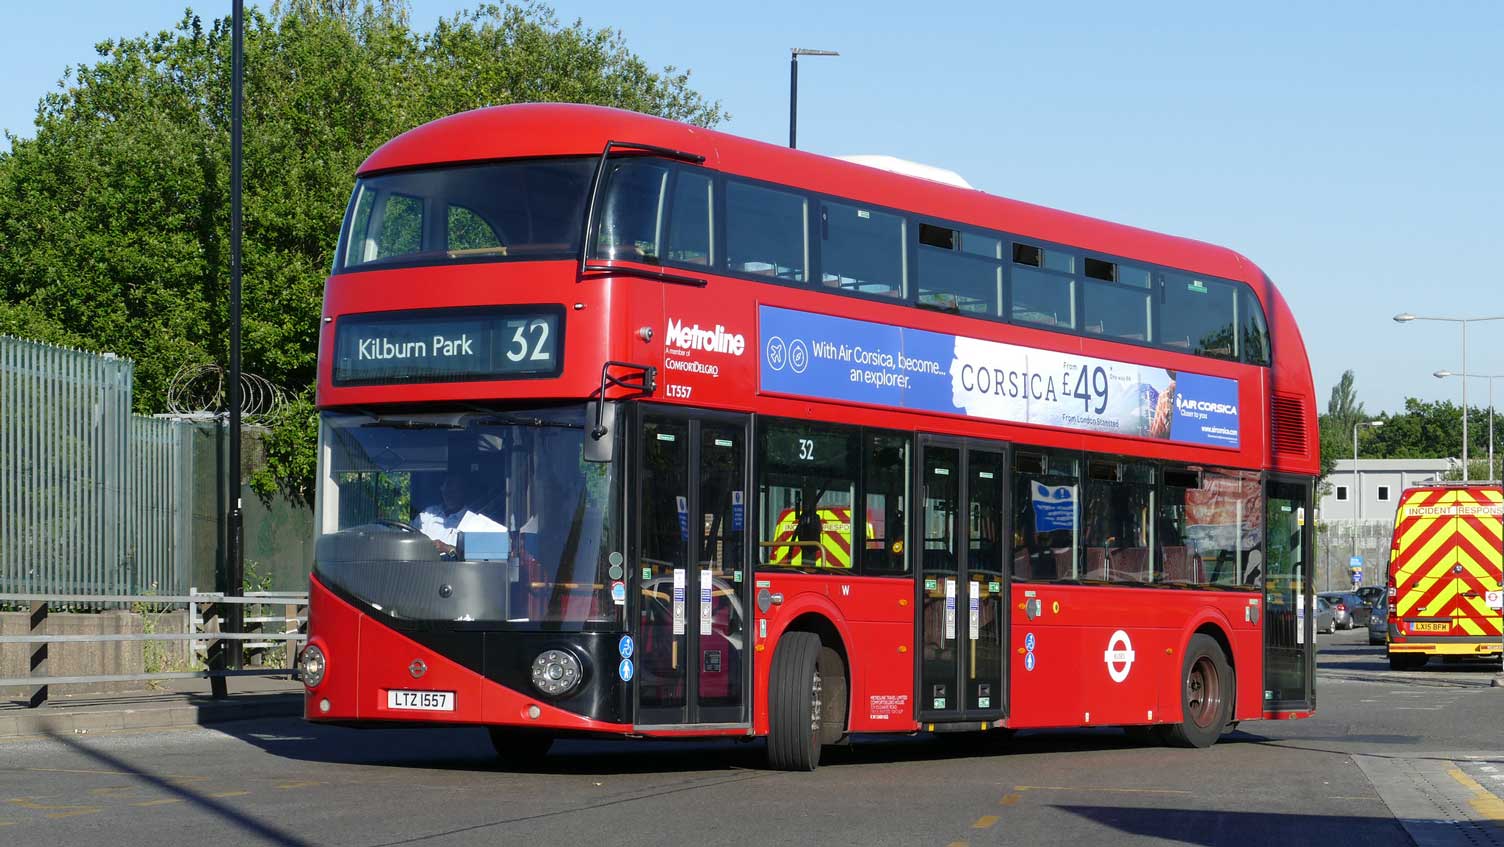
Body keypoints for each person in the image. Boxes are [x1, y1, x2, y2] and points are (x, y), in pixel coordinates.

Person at [415, 474, 505, 557]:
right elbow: (408, 535)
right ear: (441, 488)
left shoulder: (475, 522)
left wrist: (447, 548)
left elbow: (493, 553)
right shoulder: (428, 514)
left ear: (464, 492)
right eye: (448, 489)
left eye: (456, 491)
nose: (451, 494)